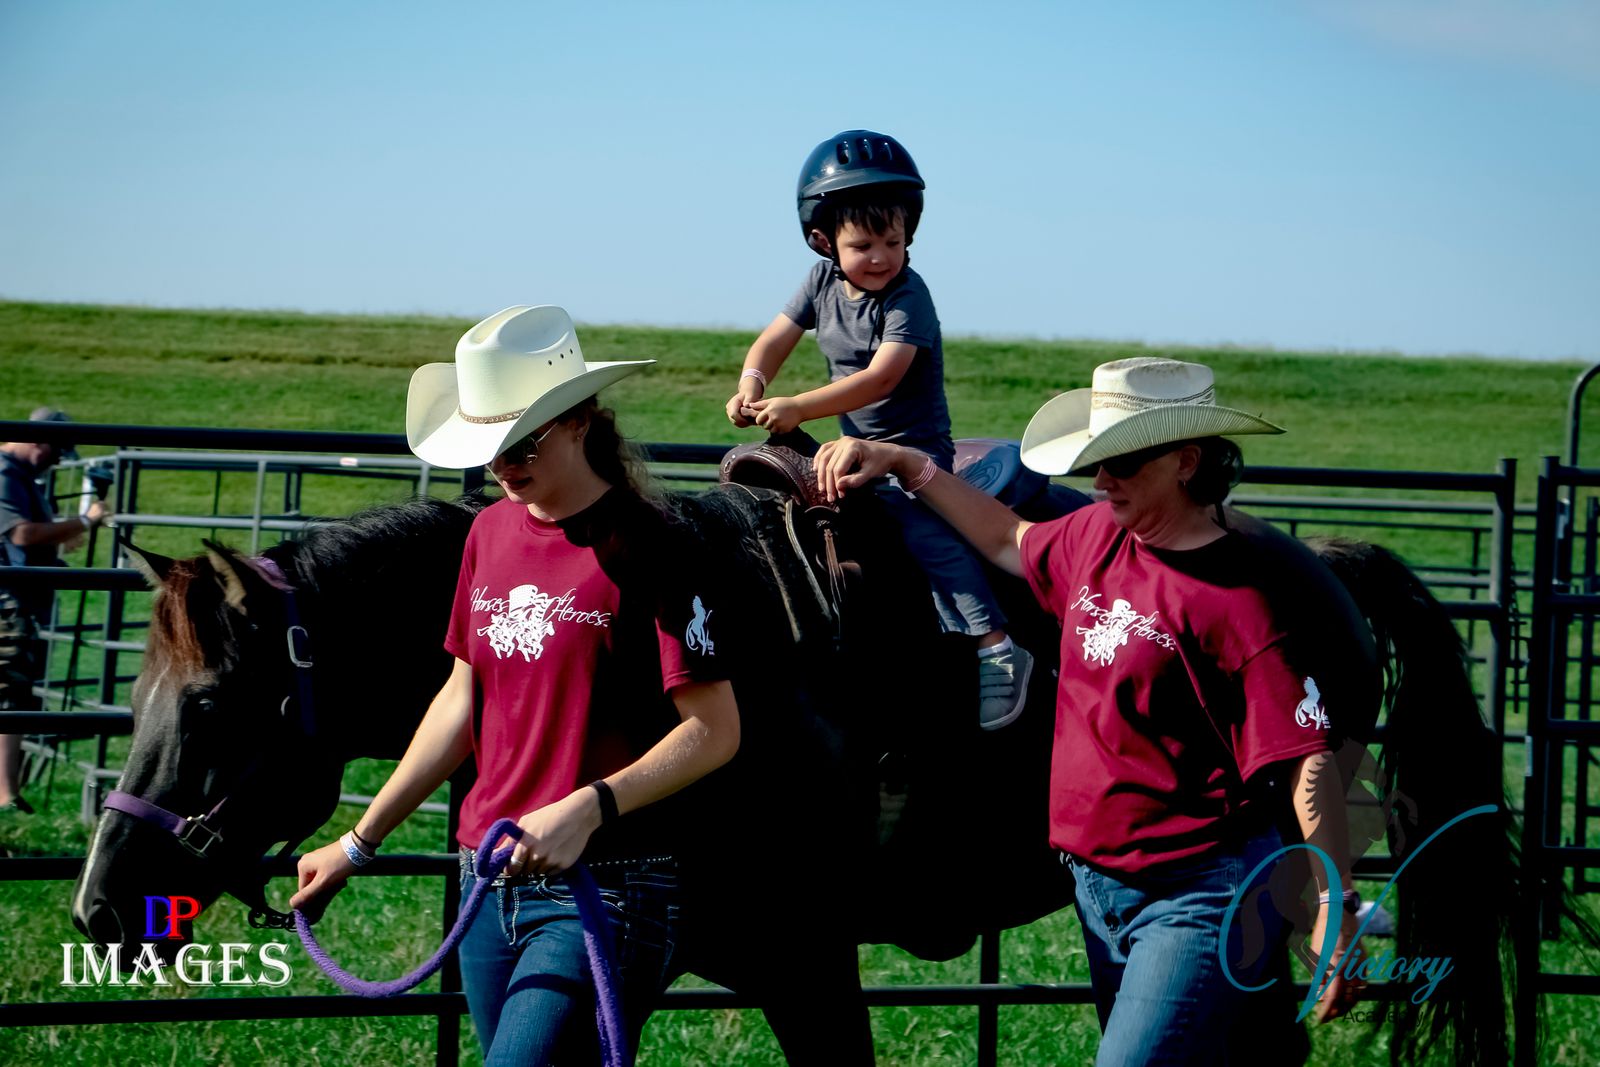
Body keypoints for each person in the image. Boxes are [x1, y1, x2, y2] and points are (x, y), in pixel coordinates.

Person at [813, 357, 1368, 1065]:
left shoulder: (1237, 602)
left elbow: (1304, 757)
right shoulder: (1098, 539)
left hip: (1195, 891)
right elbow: (1003, 538)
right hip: (1099, 887)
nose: (1101, 480)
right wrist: (906, 463)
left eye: (1123, 463)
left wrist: (1333, 901)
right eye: (1096, 462)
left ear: (1186, 462)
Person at [291, 305, 741, 1065]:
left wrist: (588, 806)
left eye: (522, 439)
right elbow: (462, 698)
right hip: (487, 883)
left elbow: (715, 729)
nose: (502, 463)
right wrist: (359, 842)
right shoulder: (488, 534)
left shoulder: (657, 546)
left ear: (580, 419)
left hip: (610, 884)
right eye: (487, 444)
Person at [725, 129, 1031, 730]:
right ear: (824, 241)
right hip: (850, 447)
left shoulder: (910, 297)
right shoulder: (817, 284)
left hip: (911, 455)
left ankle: (994, 643)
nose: (880, 257)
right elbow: (775, 338)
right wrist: (753, 383)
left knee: (924, 531)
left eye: (892, 241)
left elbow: (881, 378)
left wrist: (800, 407)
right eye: (862, 244)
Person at [1, 408, 112, 813]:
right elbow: (21, 534)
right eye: (57, 450)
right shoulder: (4, 473)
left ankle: (8, 791)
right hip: (7, 598)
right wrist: (84, 521)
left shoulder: (19, 475)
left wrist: (64, 539)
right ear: (37, 440)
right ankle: (6, 794)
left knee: (15, 690)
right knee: (9, 692)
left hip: (19, 596)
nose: (59, 460)